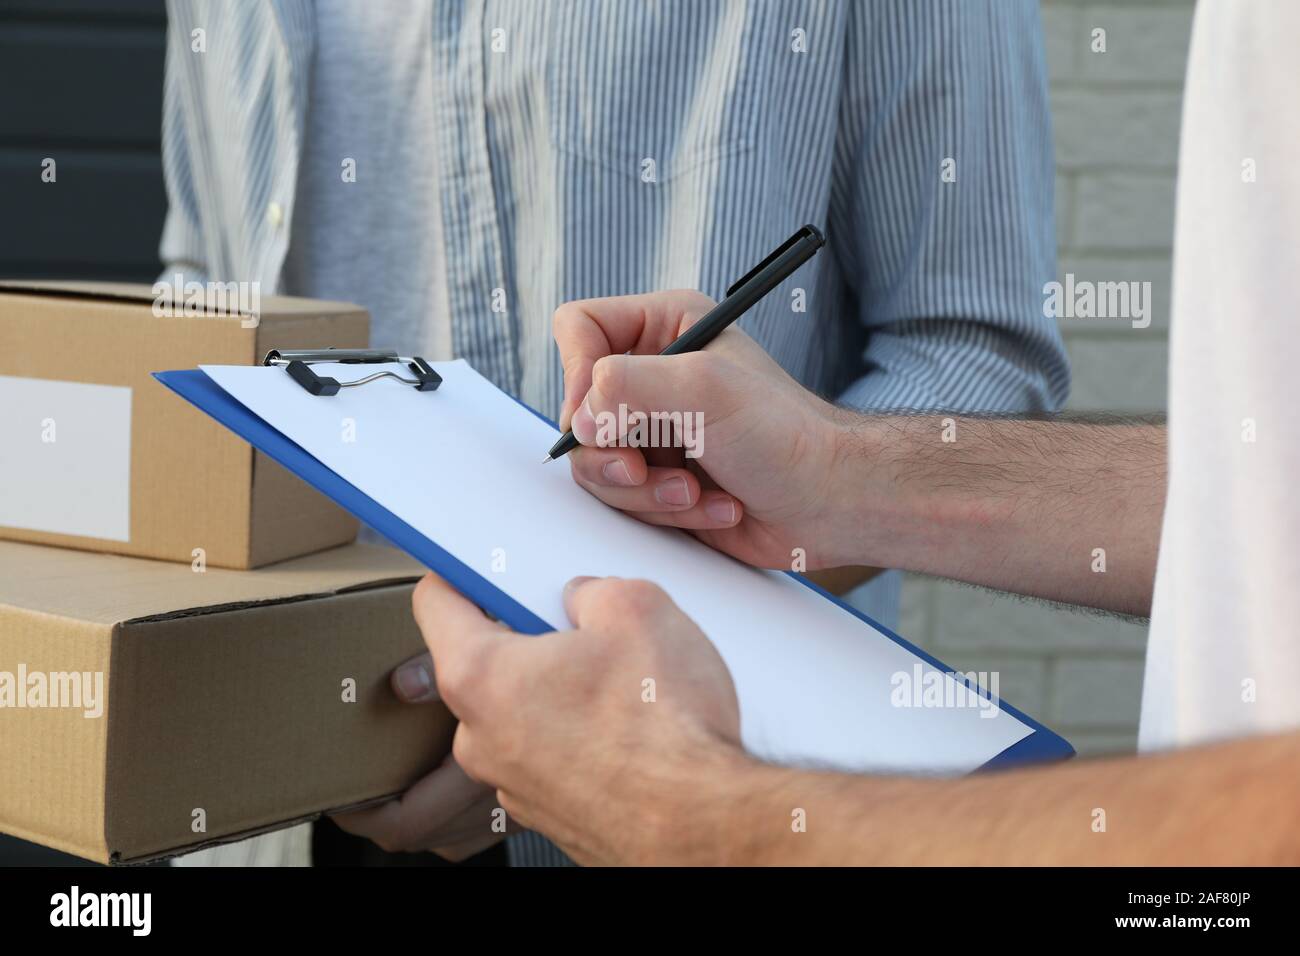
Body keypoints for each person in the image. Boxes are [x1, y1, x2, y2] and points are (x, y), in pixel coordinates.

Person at [366, 0, 1300, 864]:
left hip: (733, 767)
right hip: (370, 755)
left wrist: (705, 819)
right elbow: (1270, 495)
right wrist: (839, 472)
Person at [160, 0, 1068, 865]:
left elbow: (974, 350)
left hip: (697, 799)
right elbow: (205, 277)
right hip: (293, 777)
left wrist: (596, 673)